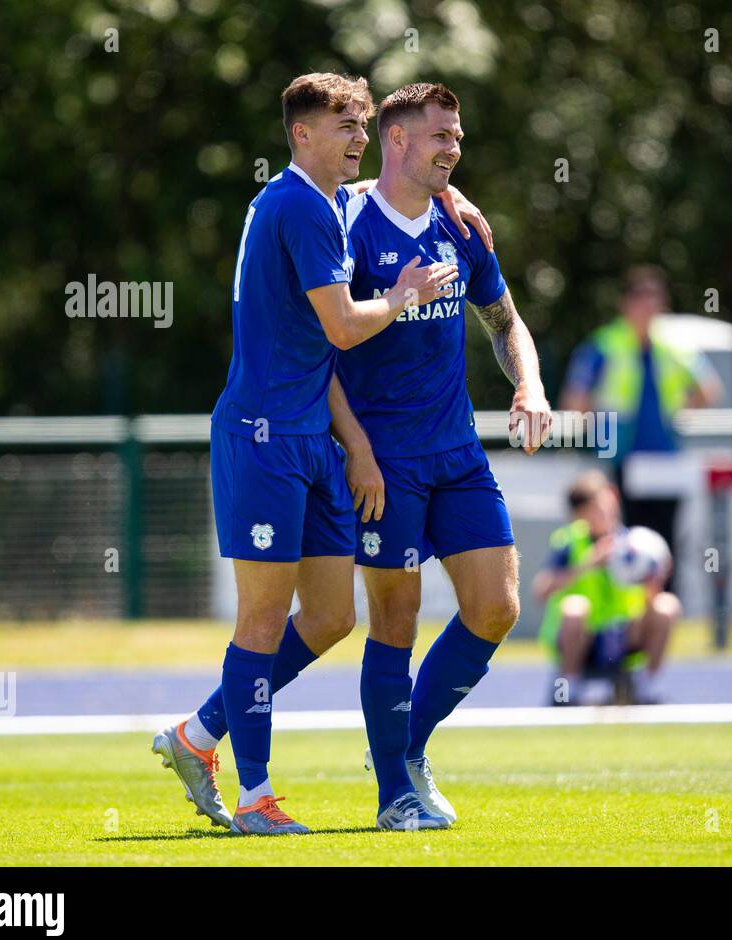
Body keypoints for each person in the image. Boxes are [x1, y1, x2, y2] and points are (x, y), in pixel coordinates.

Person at [152, 73, 486, 835]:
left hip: (314, 438)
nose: (360, 139)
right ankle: (255, 795)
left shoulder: (322, 197)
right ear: (302, 134)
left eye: (365, 126)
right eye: (345, 127)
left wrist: (446, 197)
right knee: (262, 621)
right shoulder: (302, 205)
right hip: (263, 436)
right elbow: (340, 328)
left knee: (332, 616)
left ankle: (197, 733)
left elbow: (374, 185)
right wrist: (400, 295)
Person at [334, 82, 553, 830]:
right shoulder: (348, 221)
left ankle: (405, 750)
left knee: (497, 607)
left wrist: (529, 384)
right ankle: (394, 791)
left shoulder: (463, 226)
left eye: (457, 136)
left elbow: (505, 322)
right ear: (395, 140)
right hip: (383, 461)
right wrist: (355, 448)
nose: (453, 148)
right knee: (395, 620)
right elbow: (323, 345)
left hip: (456, 450)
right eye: (439, 137)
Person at [559, 266, 721, 591]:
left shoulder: (674, 346)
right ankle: (623, 622)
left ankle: (661, 613)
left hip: (665, 457)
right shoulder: (605, 344)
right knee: (619, 540)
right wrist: (602, 431)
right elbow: (574, 400)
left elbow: (710, 389)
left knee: (664, 543)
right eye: (642, 299)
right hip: (619, 460)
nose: (649, 308)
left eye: (655, 300)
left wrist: (676, 417)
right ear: (626, 303)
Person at [533, 470, 679, 705]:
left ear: (613, 497)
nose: (598, 515)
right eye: (589, 511)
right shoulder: (569, 542)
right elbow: (540, 591)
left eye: (600, 506)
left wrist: (652, 583)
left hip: (625, 632)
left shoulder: (639, 544)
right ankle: (570, 690)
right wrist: (589, 562)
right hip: (586, 638)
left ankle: (645, 688)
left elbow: (651, 601)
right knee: (574, 608)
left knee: (667, 606)